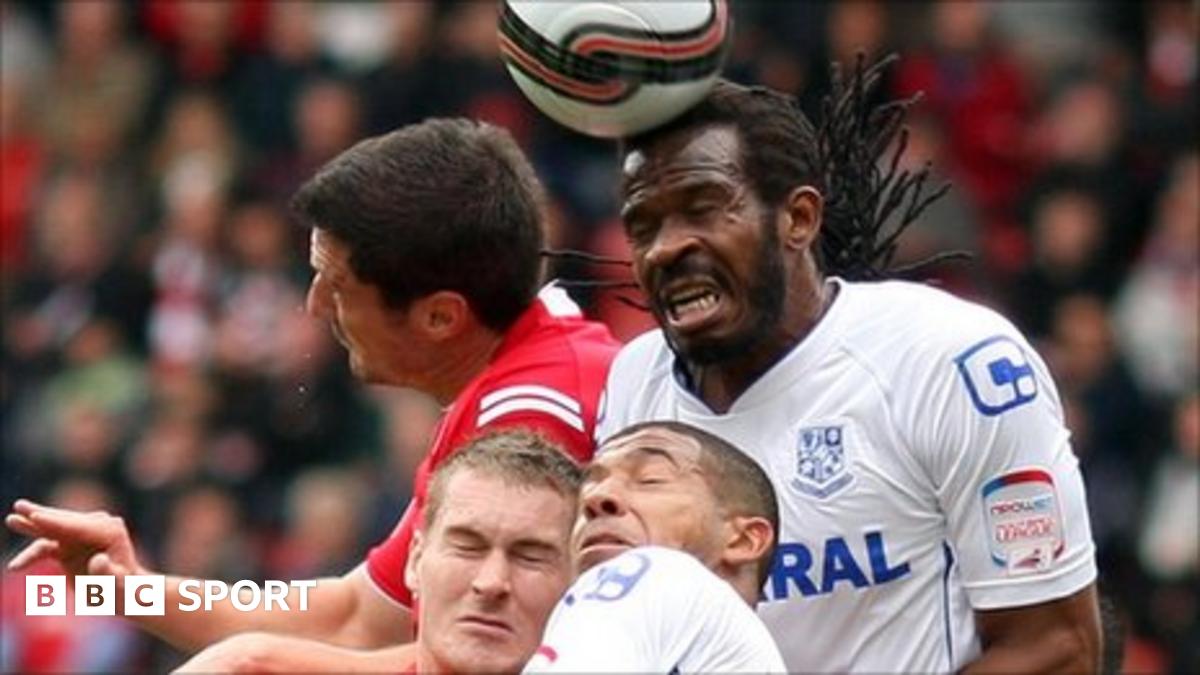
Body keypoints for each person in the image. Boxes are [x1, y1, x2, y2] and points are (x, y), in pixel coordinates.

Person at [7, 118, 618, 658]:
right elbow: (350, 616)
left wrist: (253, 661)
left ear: (440, 316)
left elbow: (396, 642)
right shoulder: (527, 375)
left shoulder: (532, 416)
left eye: (338, 285)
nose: (315, 305)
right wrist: (121, 590)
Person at [597, 55, 1102, 673]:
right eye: (642, 227)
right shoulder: (633, 385)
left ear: (799, 219)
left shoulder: (953, 363)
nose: (667, 247)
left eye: (704, 208)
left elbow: (1057, 647)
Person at [525, 420, 786, 673]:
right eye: (590, 485)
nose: (596, 497)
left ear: (743, 540)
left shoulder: (658, 573)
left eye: (650, 480)